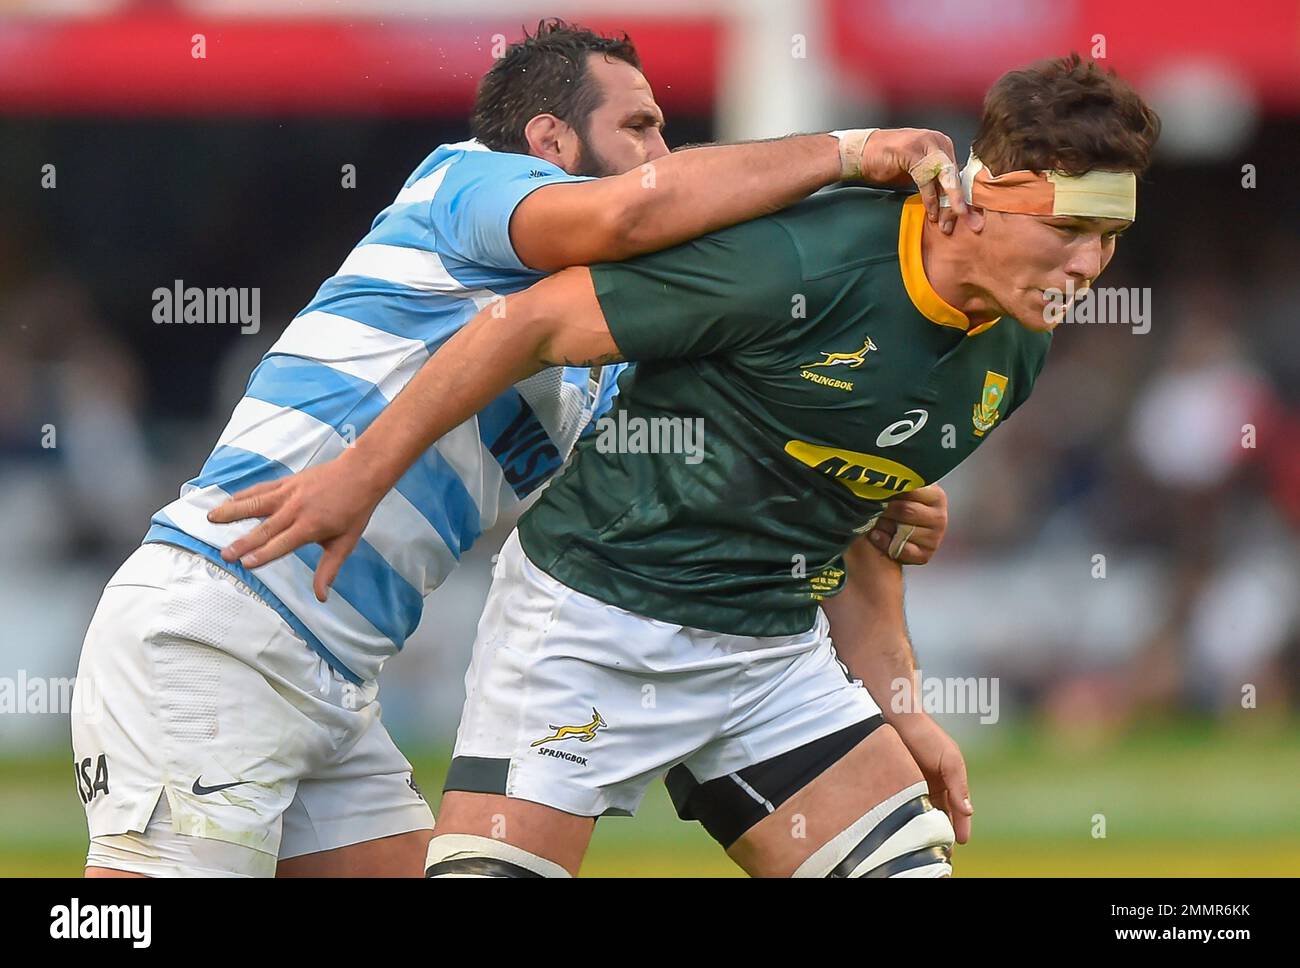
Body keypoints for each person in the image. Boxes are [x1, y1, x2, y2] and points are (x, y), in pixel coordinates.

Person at [212, 53, 1160, 877]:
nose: (1090, 264)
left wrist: (899, 708)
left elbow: (857, 518)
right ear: (982, 198)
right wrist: (361, 472)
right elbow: (530, 322)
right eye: (1068, 229)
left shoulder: (1018, 344)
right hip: (591, 622)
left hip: (770, 652)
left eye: (1109, 237)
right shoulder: (804, 259)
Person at [71, 19, 960, 878]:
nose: (660, 152)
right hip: (220, 618)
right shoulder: (465, 184)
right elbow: (628, 219)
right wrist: (849, 151)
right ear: (550, 139)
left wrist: (867, 500)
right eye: (638, 125)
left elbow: (725, 477)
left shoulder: (603, 356)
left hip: (339, 675)